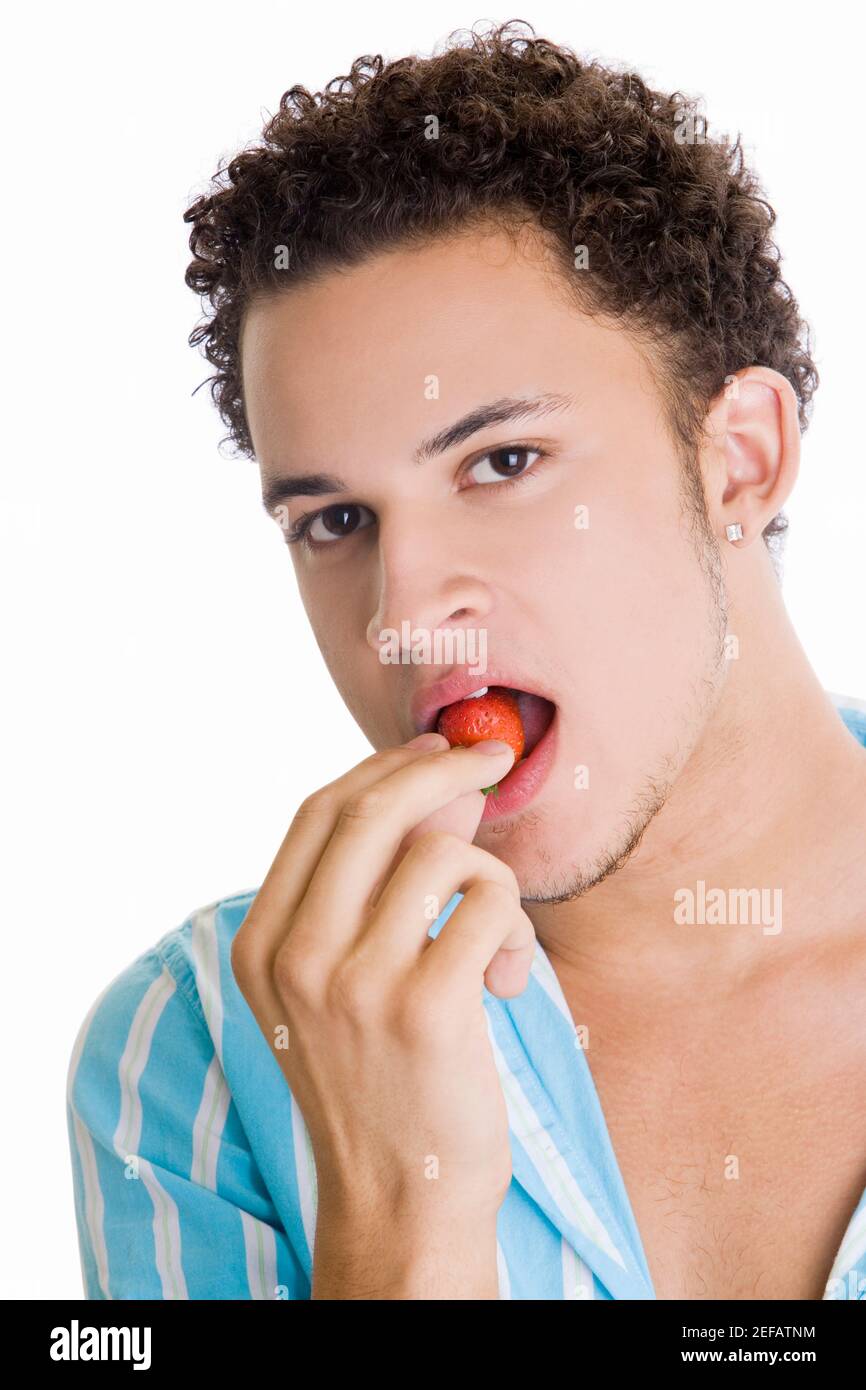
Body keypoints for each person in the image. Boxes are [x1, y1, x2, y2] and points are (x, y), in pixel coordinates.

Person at [67, 19, 866, 1300]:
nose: (404, 610)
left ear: (739, 460)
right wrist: (400, 1231)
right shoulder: (201, 1056)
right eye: (333, 520)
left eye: (499, 463)